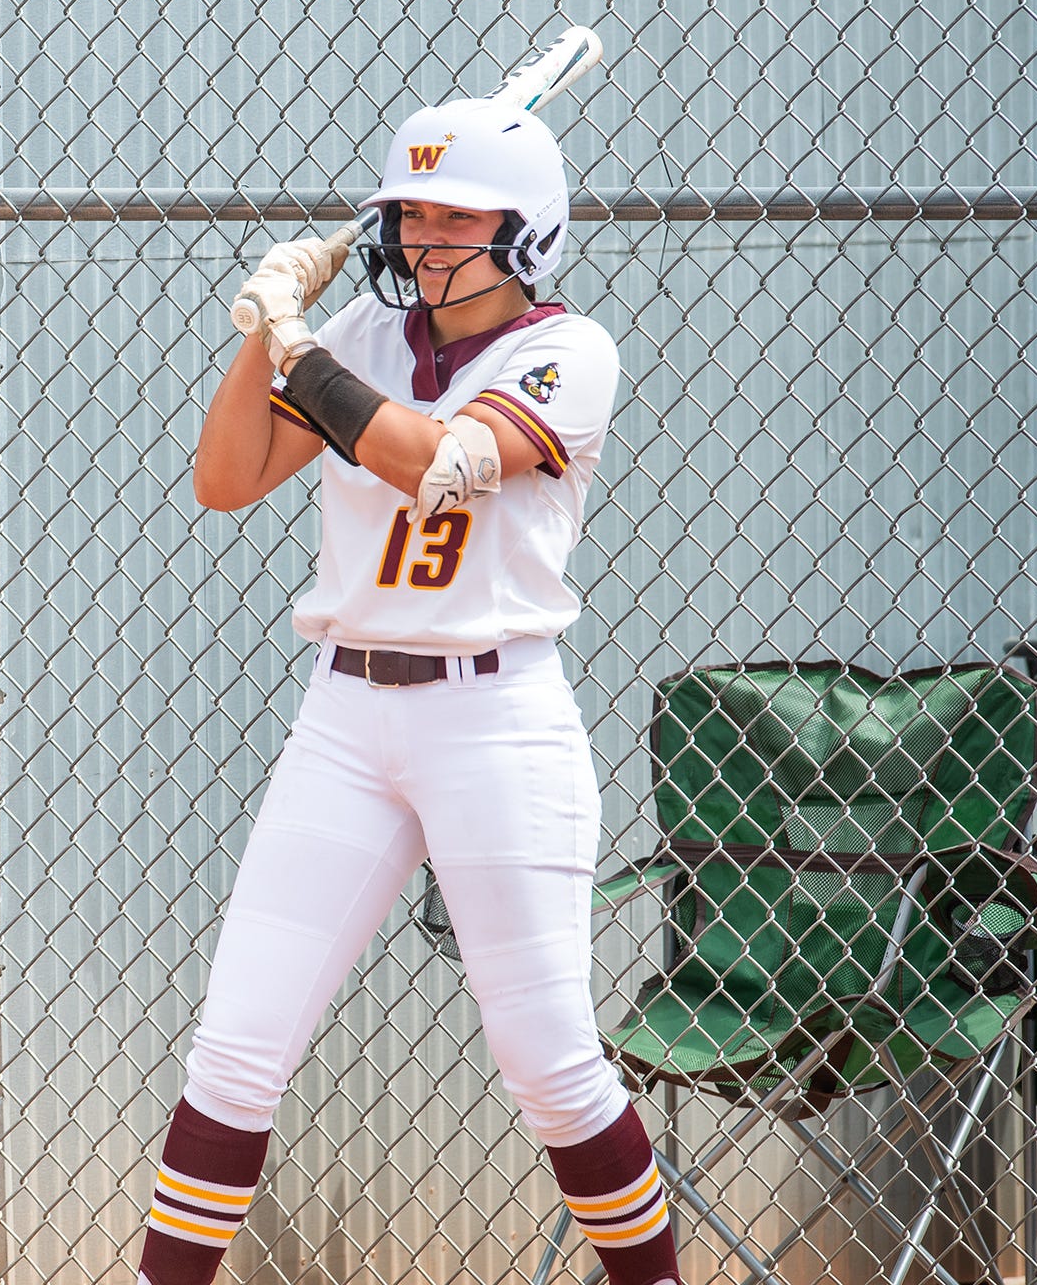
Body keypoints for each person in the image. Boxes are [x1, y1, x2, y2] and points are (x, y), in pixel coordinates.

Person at [135, 96, 673, 1285]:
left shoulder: (567, 352)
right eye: (411, 213)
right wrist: (262, 328)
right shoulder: (370, 336)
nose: (426, 238)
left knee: (549, 1062)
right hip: (344, 718)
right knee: (232, 1052)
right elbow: (224, 478)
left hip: (496, 718)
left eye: (457, 216)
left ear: (526, 230)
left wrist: (300, 344)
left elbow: (429, 464)